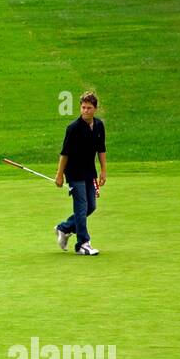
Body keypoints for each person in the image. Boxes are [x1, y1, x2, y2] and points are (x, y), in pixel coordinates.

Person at [54, 92, 107, 255]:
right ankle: (83, 243)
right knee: (81, 206)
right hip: (74, 173)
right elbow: (65, 153)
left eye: (89, 108)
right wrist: (59, 174)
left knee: (91, 206)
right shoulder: (73, 128)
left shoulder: (99, 125)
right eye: (83, 107)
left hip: (90, 172)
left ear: (95, 109)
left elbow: (101, 149)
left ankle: (64, 228)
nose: (85, 111)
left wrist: (103, 170)